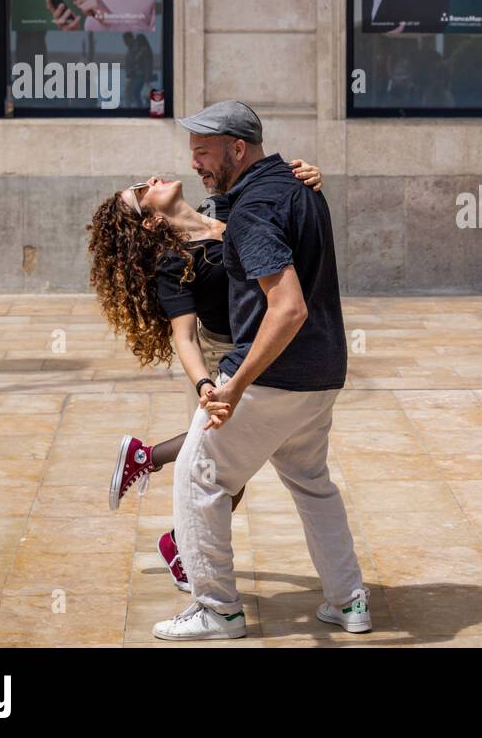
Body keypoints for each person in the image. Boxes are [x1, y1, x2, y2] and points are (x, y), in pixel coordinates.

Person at [154, 101, 366, 641]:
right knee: (313, 484)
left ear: (237, 149)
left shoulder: (255, 208)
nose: (196, 163)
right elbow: (225, 231)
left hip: (272, 376)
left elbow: (288, 306)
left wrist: (236, 383)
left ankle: (217, 610)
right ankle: (349, 602)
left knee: (197, 478)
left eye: (203, 152)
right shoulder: (302, 189)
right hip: (323, 373)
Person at [87, 160, 322, 593]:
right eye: (141, 192)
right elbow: (186, 336)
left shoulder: (226, 208)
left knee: (229, 470)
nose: (149, 180)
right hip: (225, 355)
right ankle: (182, 545)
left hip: (262, 345)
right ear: (153, 219)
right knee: (227, 471)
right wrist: (204, 384)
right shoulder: (174, 264)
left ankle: (150, 466)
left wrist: (304, 177)